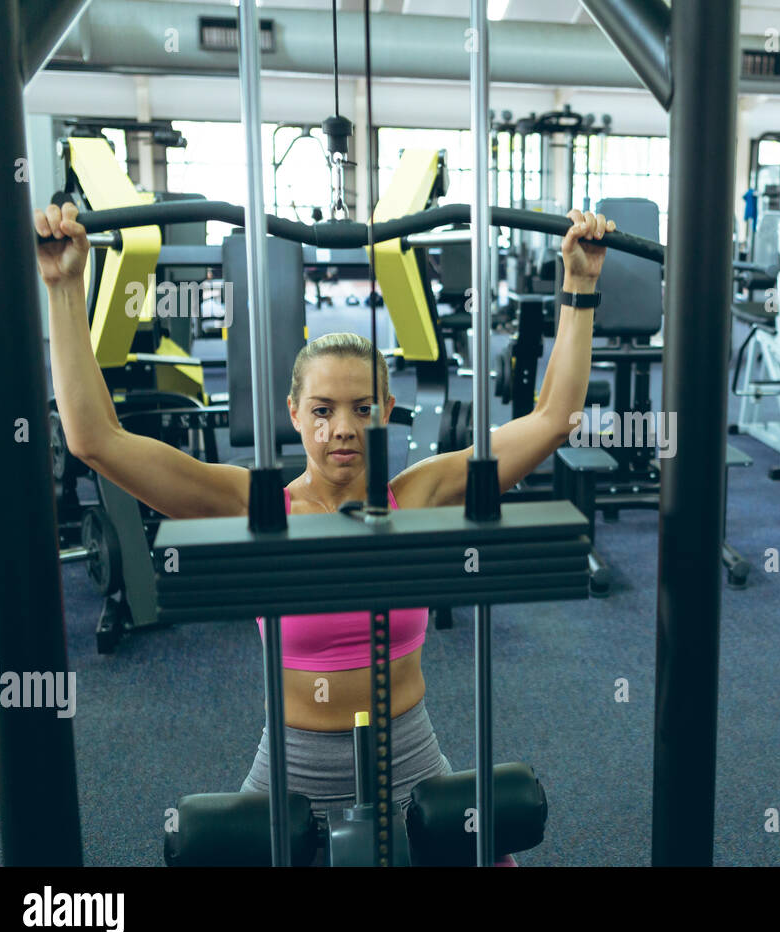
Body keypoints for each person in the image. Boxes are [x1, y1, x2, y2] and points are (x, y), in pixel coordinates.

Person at [35, 199, 614, 864]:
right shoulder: (249, 505)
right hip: (293, 769)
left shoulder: (420, 494)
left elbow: (550, 420)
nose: (342, 428)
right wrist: (63, 288)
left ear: (387, 411)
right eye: (322, 409)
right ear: (293, 412)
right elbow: (94, 439)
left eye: (362, 408)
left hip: (413, 762)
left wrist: (581, 285)